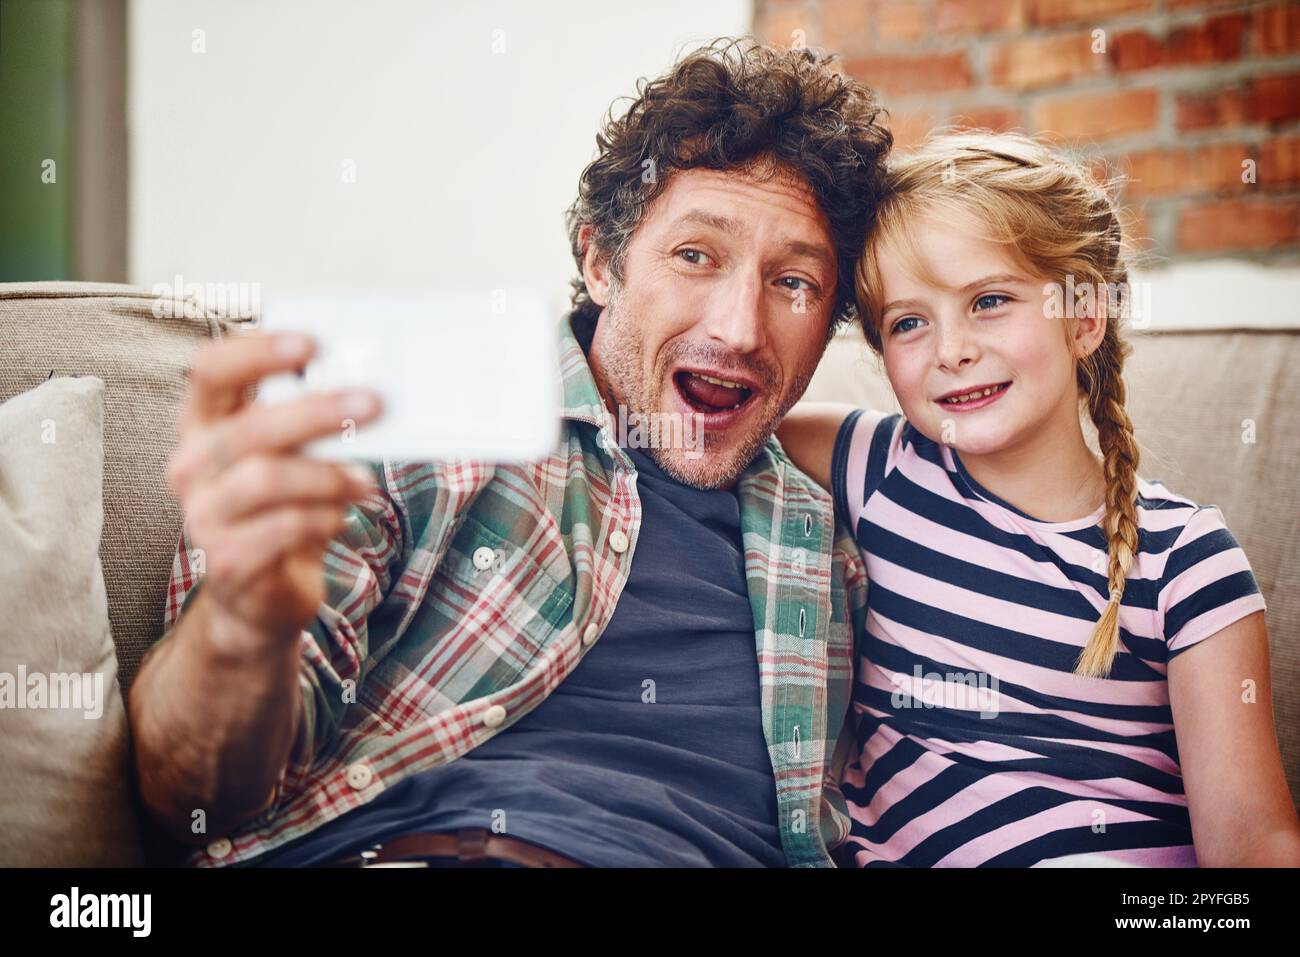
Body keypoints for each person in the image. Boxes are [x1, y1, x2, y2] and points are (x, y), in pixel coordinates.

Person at [127, 38, 893, 868]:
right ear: (601, 261)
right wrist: (242, 629)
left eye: (795, 283)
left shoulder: (842, 542)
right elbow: (190, 798)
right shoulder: (401, 419)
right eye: (695, 255)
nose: (739, 328)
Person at [778, 131, 1300, 867]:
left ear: (1085, 318)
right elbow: (725, 417)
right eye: (908, 322)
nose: (950, 348)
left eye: (989, 301)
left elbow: (1252, 842)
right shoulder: (878, 467)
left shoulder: (1187, 563)